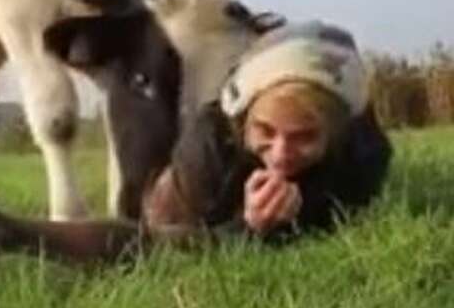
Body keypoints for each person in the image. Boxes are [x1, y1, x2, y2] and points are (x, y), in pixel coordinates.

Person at [143, 21, 392, 240]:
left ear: (336, 132)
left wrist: (301, 212)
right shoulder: (208, 145)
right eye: (265, 131)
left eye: (305, 136)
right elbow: (166, 243)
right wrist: (247, 226)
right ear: (245, 119)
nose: (281, 154)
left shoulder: (364, 153)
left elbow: (344, 215)